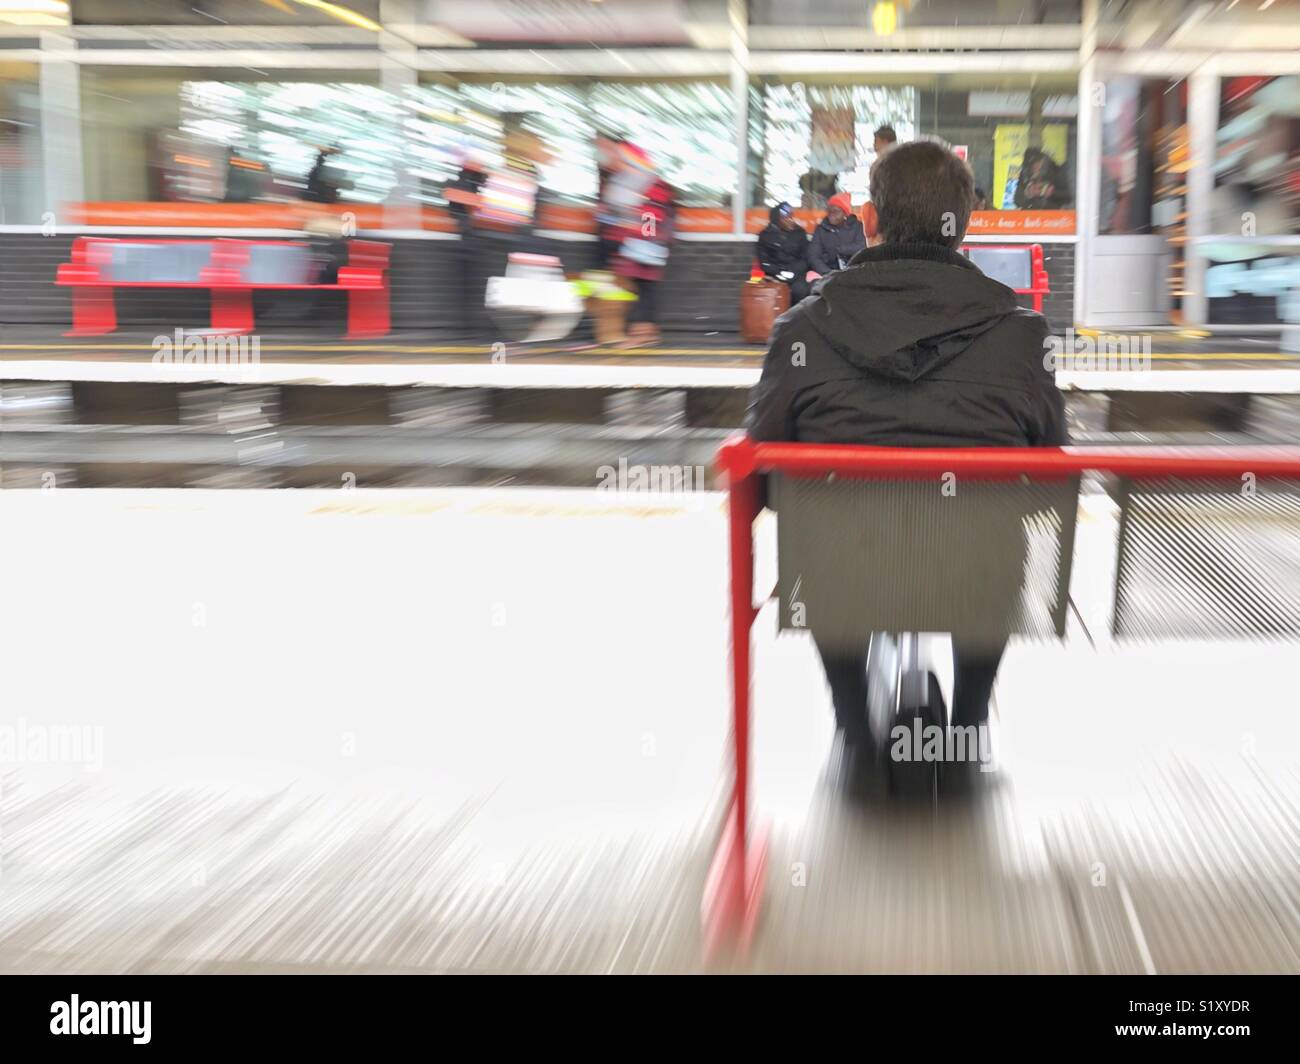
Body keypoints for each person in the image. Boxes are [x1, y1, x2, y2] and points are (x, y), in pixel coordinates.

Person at [744, 140, 1066, 784]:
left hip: (840, 578)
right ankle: (968, 723)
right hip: (977, 578)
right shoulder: (1023, 333)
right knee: (993, 551)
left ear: (868, 220)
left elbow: (764, 472)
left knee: (828, 554)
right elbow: (1045, 483)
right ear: (964, 225)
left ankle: (856, 733)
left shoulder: (802, 331)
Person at [602, 141, 674, 346]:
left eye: (623, 160)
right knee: (642, 289)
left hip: (643, 247)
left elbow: (651, 215)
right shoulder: (633, 181)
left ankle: (641, 333)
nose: (619, 164)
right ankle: (646, 332)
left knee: (641, 289)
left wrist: (639, 233)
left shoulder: (650, 184)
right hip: (637, 246)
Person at [756, 202, 810, 303]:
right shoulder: (765, 235)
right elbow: (764, 261)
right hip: (774, 274)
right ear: (777, 220)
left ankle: (795, 317)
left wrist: (792, 272)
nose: (789, 220)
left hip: (795, 274)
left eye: (790, 216)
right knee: (773, 293)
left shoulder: (800, 233)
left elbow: (805, 258)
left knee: (800, 290)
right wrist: (779, 272)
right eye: (785, 217)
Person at [806, 192, 865, 279]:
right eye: (829, 211)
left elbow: (862, 247)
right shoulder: (821, 228)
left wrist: (840, 249)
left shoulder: (858, 227)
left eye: (836, 211)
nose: (831, 214)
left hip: (852, 273)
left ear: (845, 214)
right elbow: (813, 256)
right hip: (827, 273)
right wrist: (829, 273)